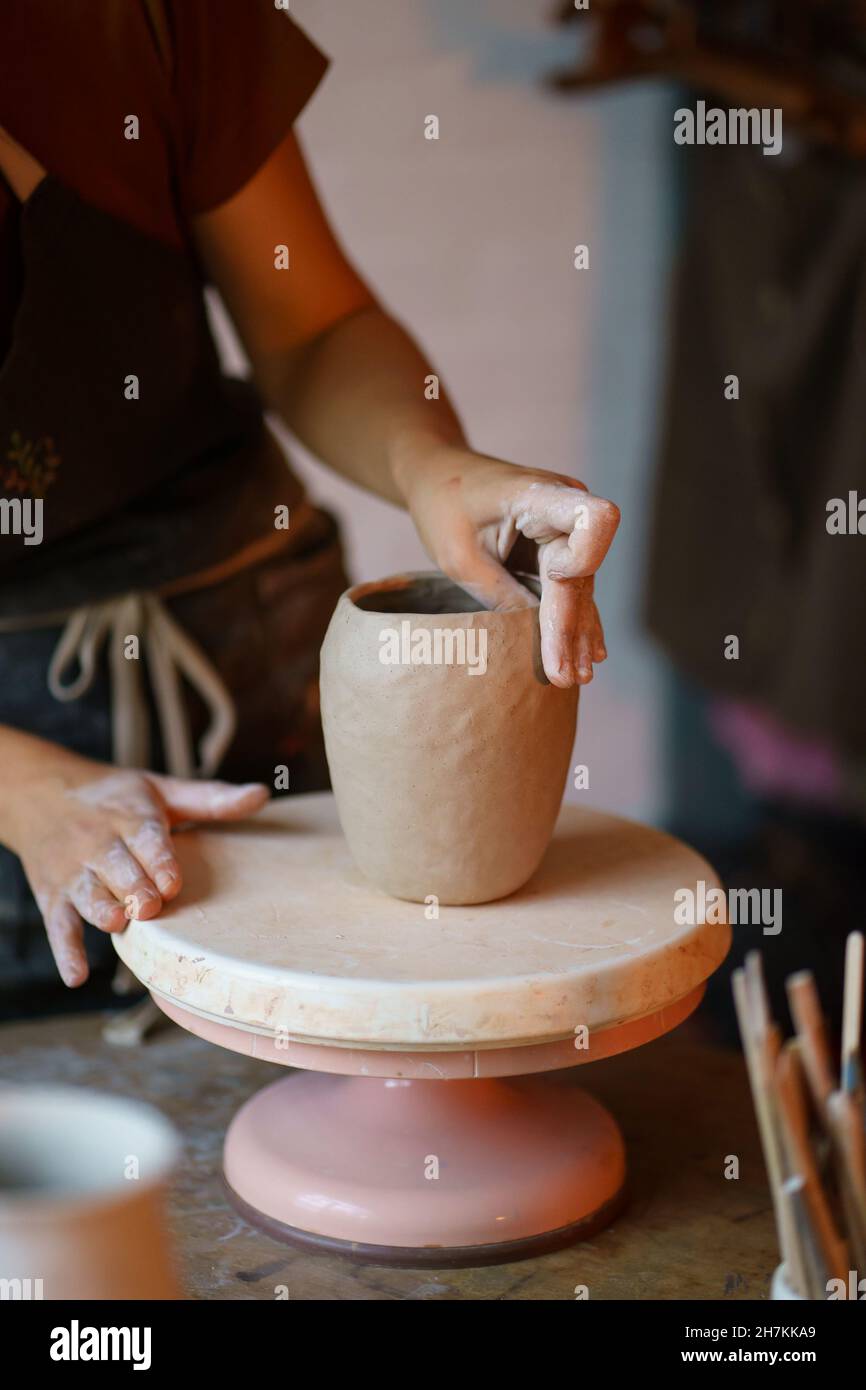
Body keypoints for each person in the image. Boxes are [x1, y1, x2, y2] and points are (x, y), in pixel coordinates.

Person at [0, 0, 619, 1006]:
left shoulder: (138, 19)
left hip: (247, 637)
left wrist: (429, 463)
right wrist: (23, 787)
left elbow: (312, 328)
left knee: (357, 1015)